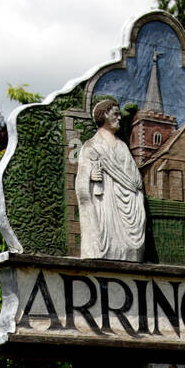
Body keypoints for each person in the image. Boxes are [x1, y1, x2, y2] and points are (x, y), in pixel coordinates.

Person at [75, 97, 146, 261]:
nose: (119, 117)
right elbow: (81, 182)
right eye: (115, 114)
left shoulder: (122, 146)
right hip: (104, 201)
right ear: (104, 115)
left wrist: (135, 192)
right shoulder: (91, 146)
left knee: (129, 248)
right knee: (106, 240)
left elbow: (134, 178)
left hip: (128, 201)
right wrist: (91, 177)